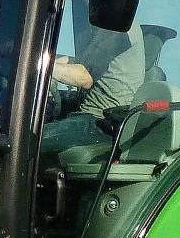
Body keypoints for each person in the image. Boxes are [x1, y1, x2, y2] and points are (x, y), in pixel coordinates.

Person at [43, 21, 149, 154]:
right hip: (86, 117)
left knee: (29, 140)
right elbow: (81, 62)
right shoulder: (105, 27)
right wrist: (37, 58)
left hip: (100, 123)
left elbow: (86, 77)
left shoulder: (121, 26)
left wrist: (41, 66)